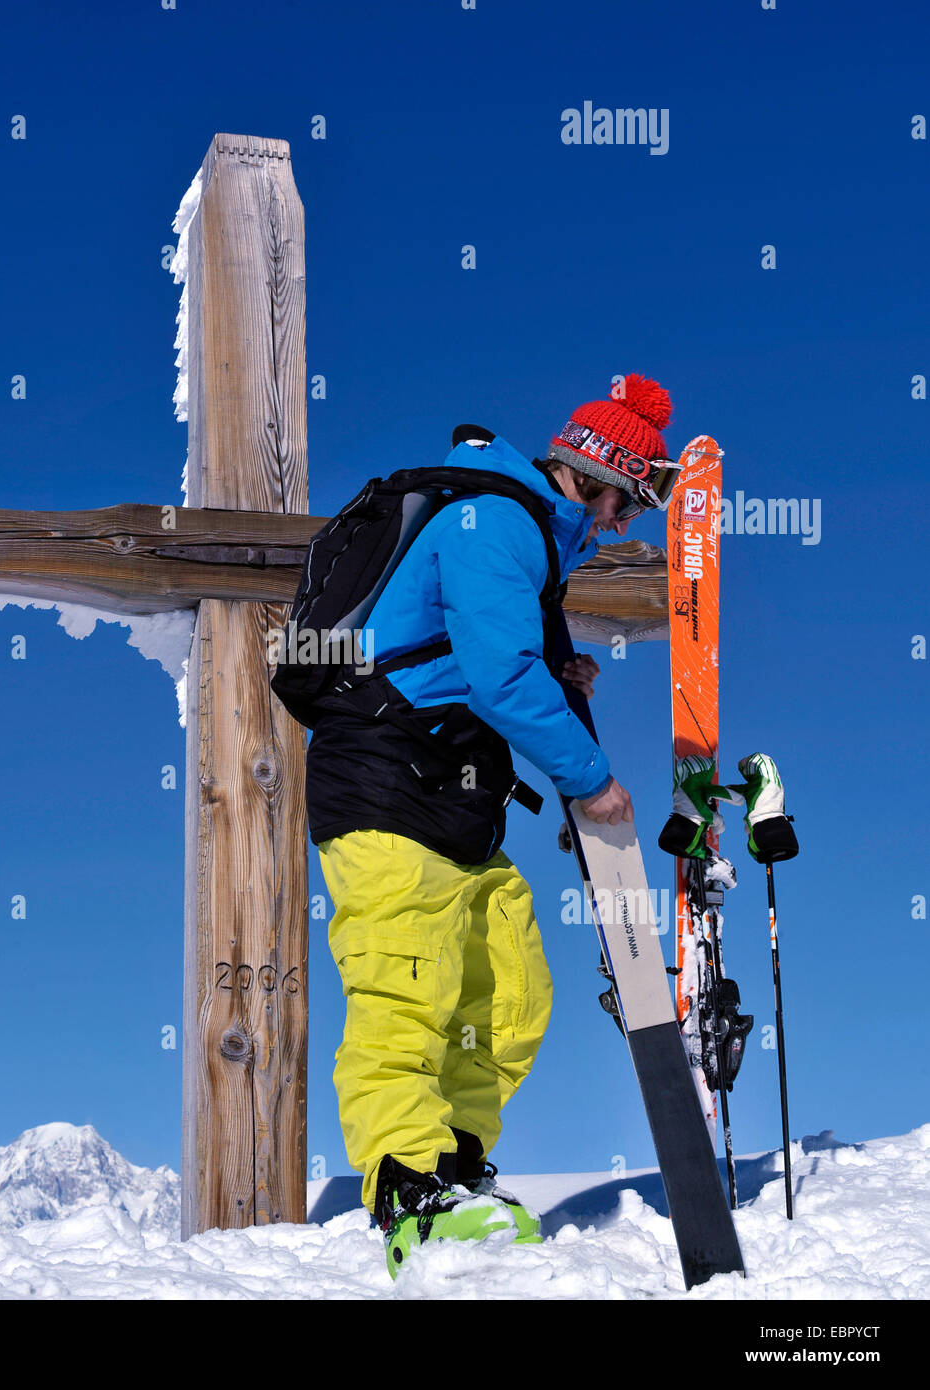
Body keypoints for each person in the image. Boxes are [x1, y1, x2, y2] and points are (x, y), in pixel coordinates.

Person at [308, 375, 681, 1274]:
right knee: (406, 992)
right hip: (384, 787)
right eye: (625, 501)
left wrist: (561, 676)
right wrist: (592, 784)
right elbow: (494, 673)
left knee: (505, 992)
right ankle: (407, 1191)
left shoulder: (530, 542)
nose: (623, 522)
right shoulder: (494, 522)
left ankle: (457, 1168)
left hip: (455, 800)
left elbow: (490, 659)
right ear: (588, 477)